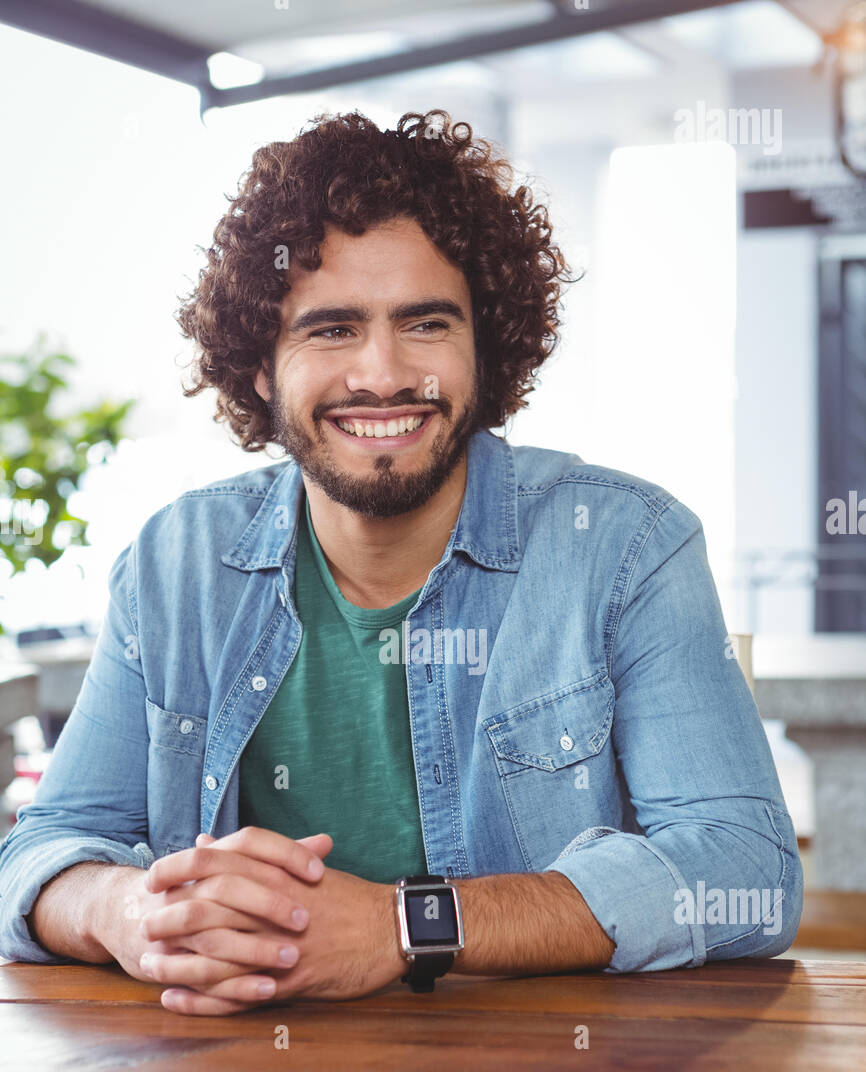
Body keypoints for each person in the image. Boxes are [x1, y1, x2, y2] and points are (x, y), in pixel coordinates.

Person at [0, 109, 801, 1014]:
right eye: (331, 330)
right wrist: (125, 909)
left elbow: (747, 870)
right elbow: (46, 848)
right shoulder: (174, 563)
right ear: (261, 368)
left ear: (483, 349)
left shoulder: (625, 546)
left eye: (425, 324)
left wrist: (407, 926)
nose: (383, 374)